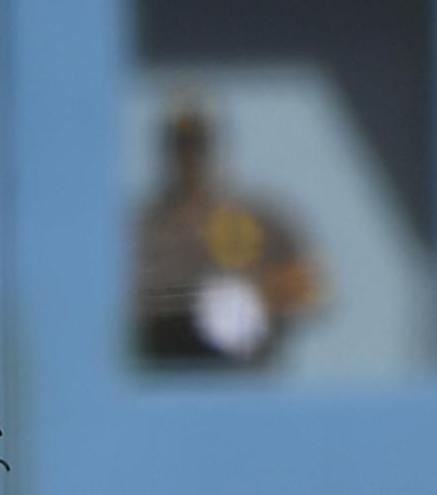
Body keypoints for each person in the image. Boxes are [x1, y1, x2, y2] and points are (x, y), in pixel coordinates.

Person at [132, 95, 323, 368]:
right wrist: (179, 303)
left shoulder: (261, 219)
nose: (191, 156)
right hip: (162, 376)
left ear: (214, 146)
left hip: (242, 379)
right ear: (169, 149)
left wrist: (256, 299)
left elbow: (308, 291)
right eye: (182, 145)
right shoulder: (142, 227)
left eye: (199, 144)